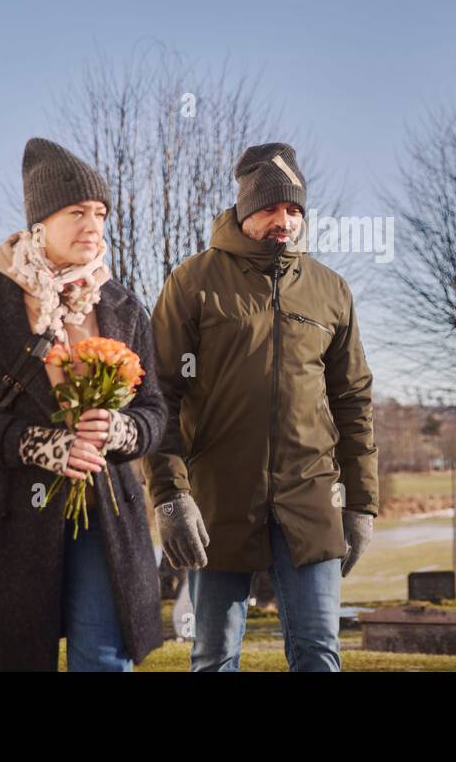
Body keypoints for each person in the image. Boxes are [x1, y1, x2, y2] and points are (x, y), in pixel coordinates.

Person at [0, 137, 167, 671]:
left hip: (106, 518)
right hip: (9, 517)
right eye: (77, 211)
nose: (93, 225)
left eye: (100, 213)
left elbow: (154, 411)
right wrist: (34, 444)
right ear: (40, 221)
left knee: (103, 659)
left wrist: (120, 430)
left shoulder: (122, 305)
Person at [144, 141, 377, 671]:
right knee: (215, 655)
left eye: (294, 209)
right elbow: (159, 393)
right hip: (217, 501)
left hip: (310, 494)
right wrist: (170, 496)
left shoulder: (330, 290)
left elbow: (353, 402)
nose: (284, 220)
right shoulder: (194, 281)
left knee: (319, 651)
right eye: (272, 207)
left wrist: (362, 504)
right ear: (246, 211)